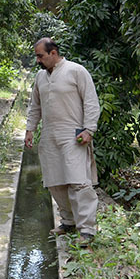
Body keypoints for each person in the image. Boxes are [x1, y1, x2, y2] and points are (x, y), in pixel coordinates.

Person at [25, 37, 100, 247]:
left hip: (73, 135)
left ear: (53, 53)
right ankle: (68, 221)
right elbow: (35, 106)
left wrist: (89, 129)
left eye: (40, 56)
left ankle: (86, 230)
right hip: (49, 135)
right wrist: (30, 129)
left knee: (79, 182)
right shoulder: (40, 77)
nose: (38, 60)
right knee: (55, 181)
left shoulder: (76, 71)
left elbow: (91, 102)